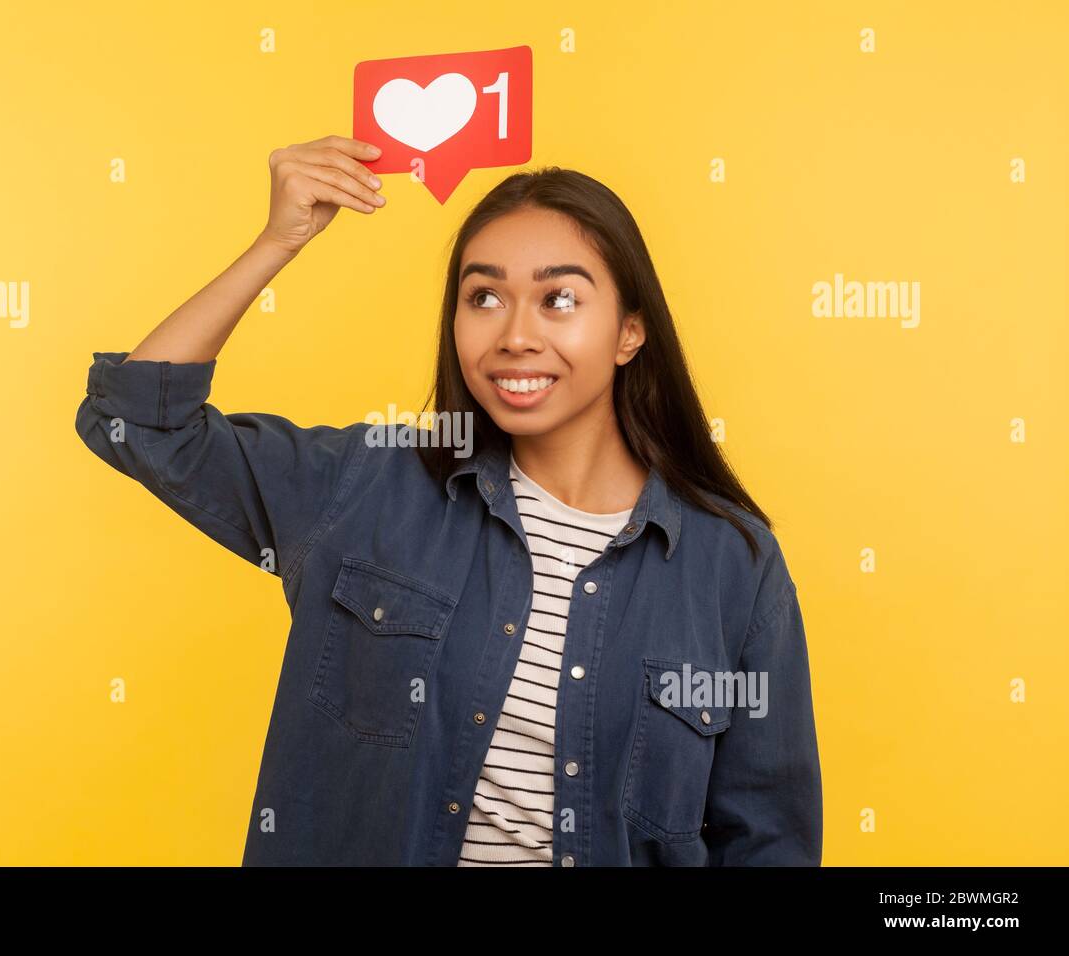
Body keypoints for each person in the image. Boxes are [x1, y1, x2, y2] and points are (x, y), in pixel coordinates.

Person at [74, 135, 822, 866]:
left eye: (559, 299)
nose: (516, 335)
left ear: (630, 332)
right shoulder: (370, 486)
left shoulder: (734, 567)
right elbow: (139, 422)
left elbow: (767, 839)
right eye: (485, 296)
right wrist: (278, 241)